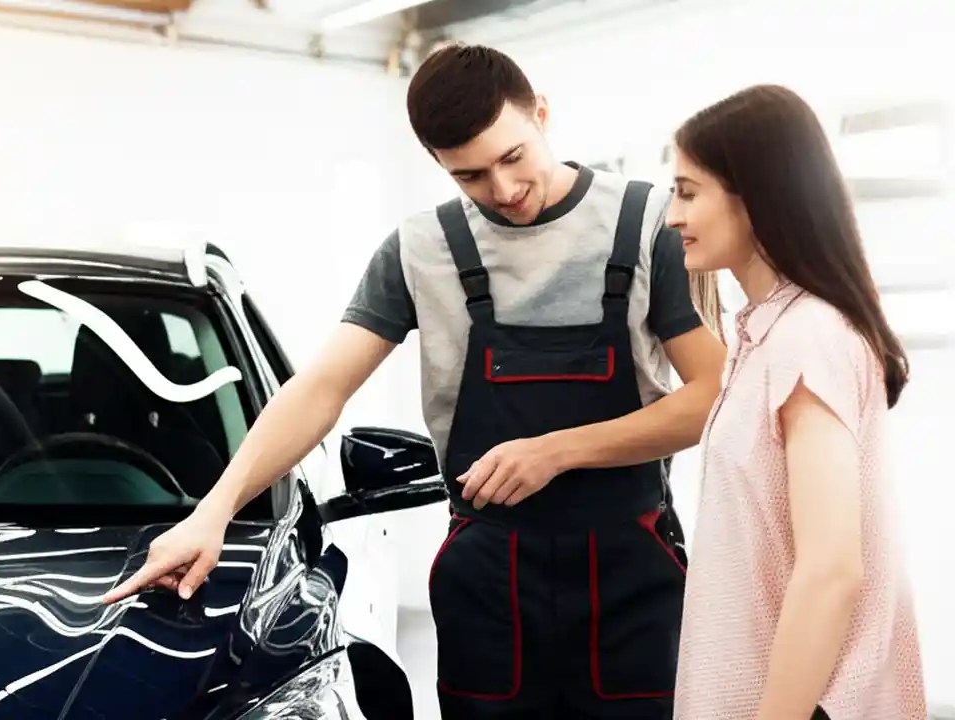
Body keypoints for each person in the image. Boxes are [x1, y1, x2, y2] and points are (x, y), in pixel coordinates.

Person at [103, 43, 726, 719]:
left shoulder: (651, 227)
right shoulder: (418, 251)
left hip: (630, 575)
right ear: (439, 164)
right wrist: (214, 509)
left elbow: (711, 398)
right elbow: (320, 388)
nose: (504, 190)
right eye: (472, 176)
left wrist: (555, 450)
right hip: (491, 585)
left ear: (541, 114)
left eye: (514, 157)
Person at [666, 84, 928, 720]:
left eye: (688, 191)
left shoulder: (809, 337)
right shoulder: (770, 332)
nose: (672, 215)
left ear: (755, 198)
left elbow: (832, 569)